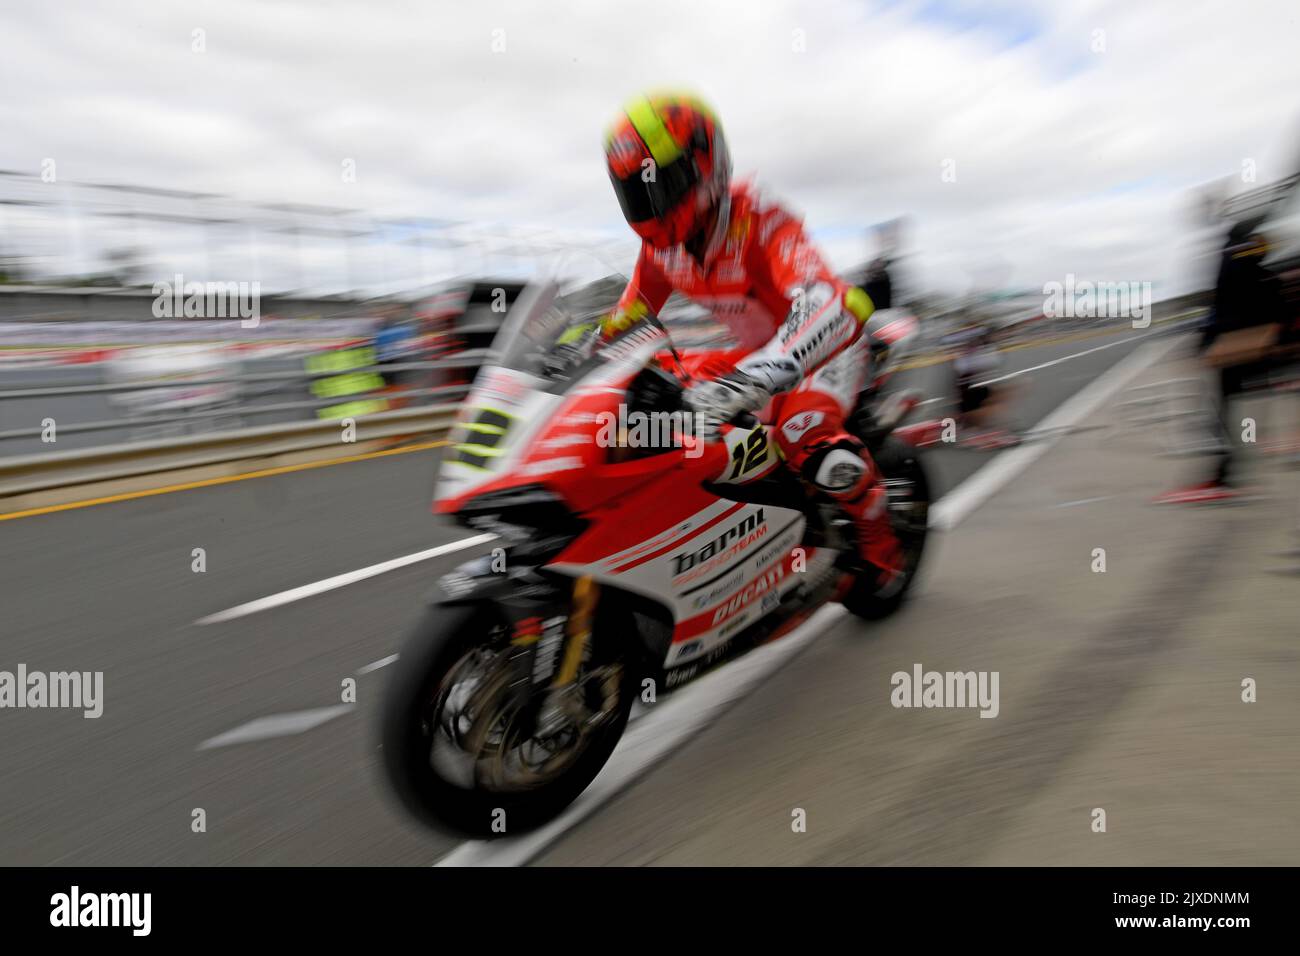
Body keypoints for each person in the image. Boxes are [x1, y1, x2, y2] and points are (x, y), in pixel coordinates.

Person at [598, 91, 902, 586]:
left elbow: (827, 301)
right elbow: (628, 318)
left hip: (822, 349)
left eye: (662, 184)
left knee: (808, 438)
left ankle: (882, 553)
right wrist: (572, 354)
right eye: (637, 191)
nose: (651, 204)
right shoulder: (662, 250)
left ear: (706, 166)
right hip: (752, 358)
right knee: (643, 403)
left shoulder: (760, 216)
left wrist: (749, 380)